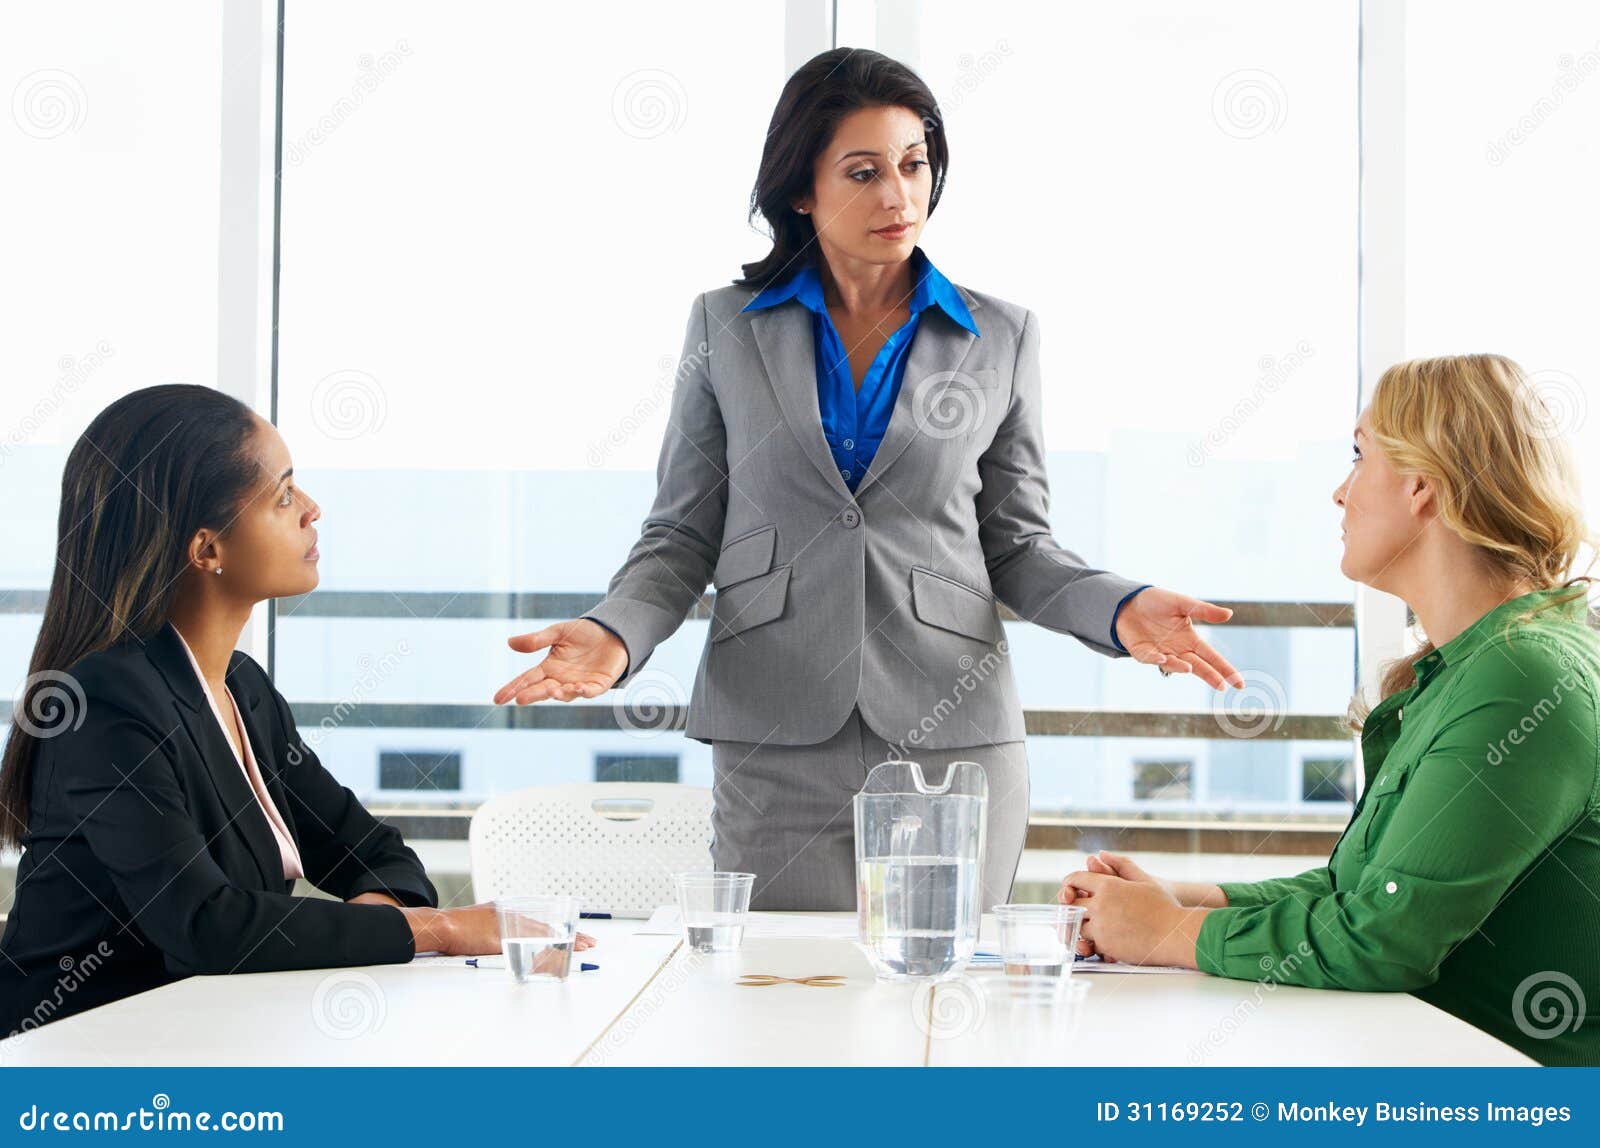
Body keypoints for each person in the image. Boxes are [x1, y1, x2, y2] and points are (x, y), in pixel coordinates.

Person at [493, 48, 1242, 912]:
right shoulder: (726, 328)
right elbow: (682, 534)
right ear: (801, 190)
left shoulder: (1001, 337)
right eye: (864, 171)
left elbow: (1018, 544)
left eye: (914, 164)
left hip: (953, 737)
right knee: (784, 1004)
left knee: (942, 1007)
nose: (898, 194)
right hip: (775, 735)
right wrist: (615, 634)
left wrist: (1118, 606)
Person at [0, 384, 590, 1037]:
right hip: (78, 1057)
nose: (312, 510)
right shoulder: (104, 704)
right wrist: (440, 928)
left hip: (212, 1037)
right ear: (206, 550)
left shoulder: (241, 687)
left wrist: (379, 922)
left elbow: (374, 852)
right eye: (283, 495)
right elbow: (205, 925)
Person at [1059, 354, 1599, 1066]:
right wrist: (1175, 899)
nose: (1339, 492)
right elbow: (1364, 893)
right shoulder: (1472, 667)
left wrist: (1163, 931)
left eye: (1358, 454)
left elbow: (1383, 940)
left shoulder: (1521, 675)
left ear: (1422, 485)